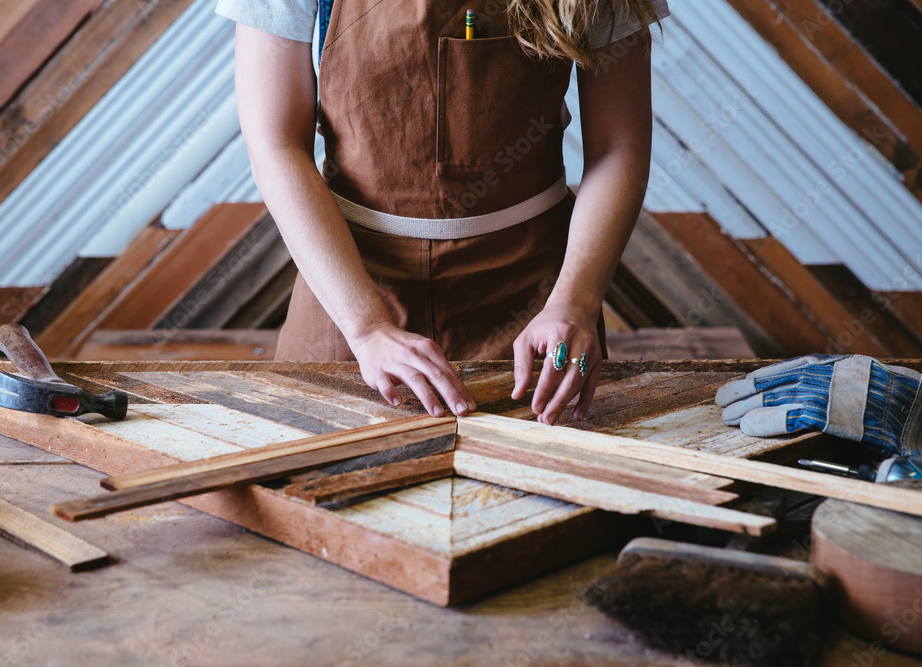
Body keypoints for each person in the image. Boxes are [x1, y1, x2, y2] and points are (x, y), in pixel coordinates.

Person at [217, 0, 669, 424]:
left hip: (536, 300)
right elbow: (275, 145)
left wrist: (576, 301)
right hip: (347, 291)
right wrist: (367, 328)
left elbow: (619, 146)